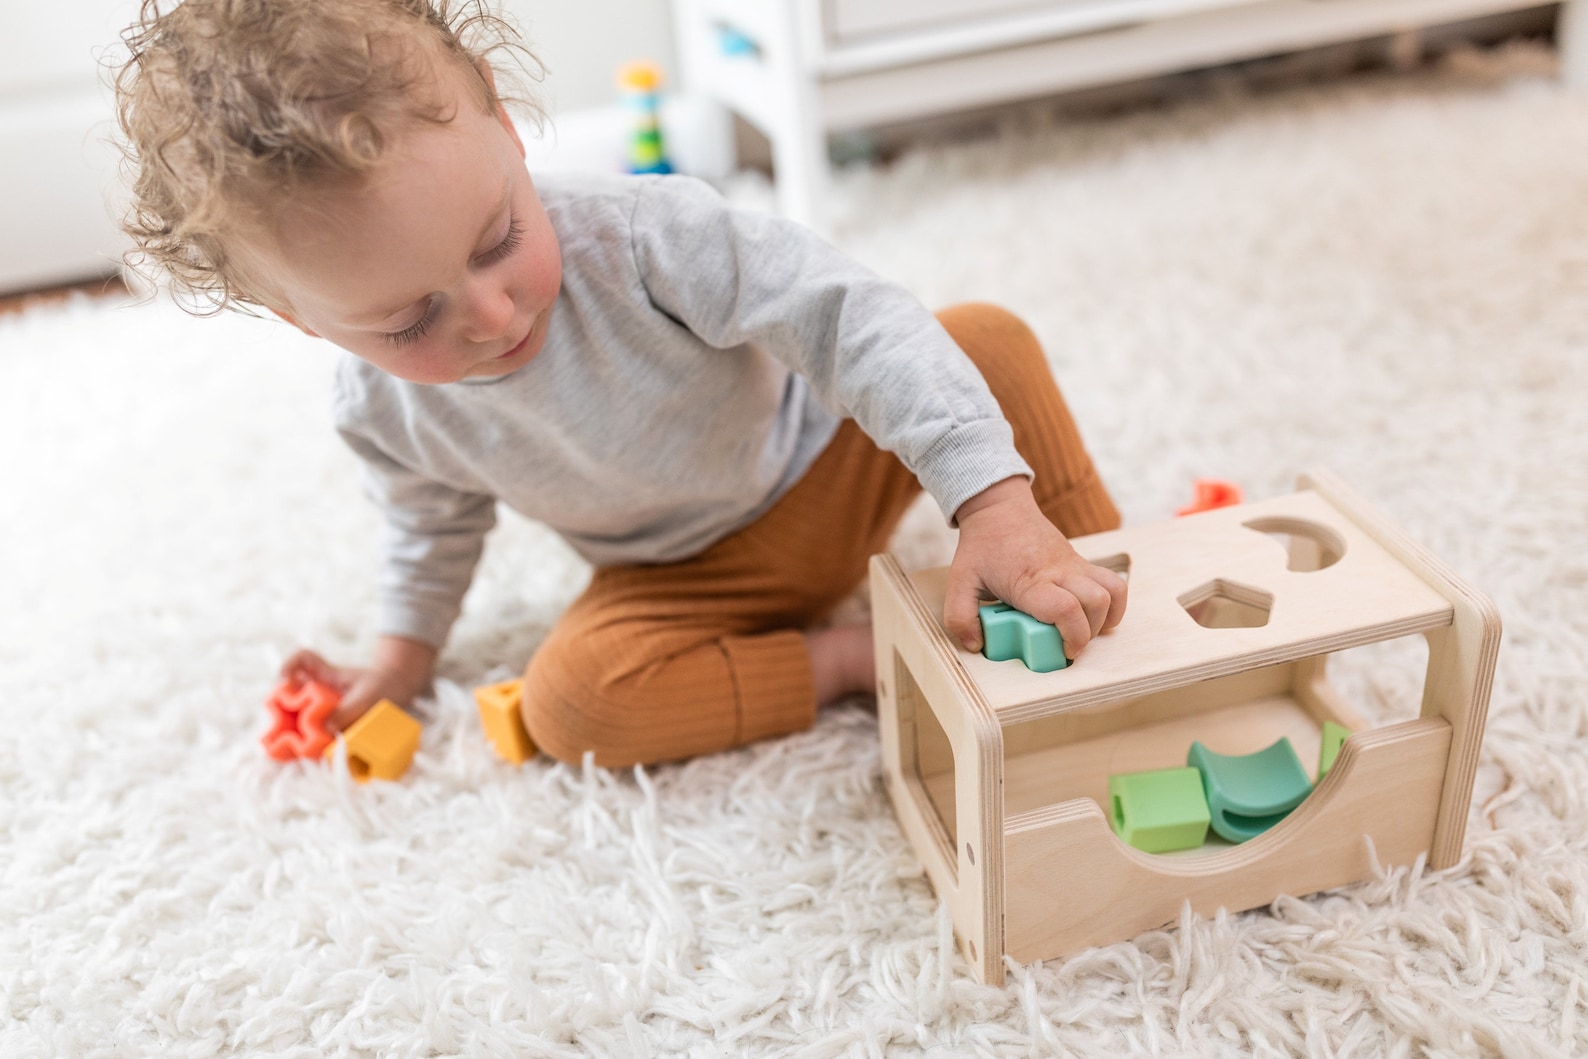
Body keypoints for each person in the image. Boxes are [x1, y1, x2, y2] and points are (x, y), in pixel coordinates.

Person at [114, 0, 1128, 768]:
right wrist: (401, 659)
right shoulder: (379, 411)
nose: (494, 315)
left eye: (498, 239)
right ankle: (861, 659)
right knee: (572, 707)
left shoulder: (643, 238)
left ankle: (1084, 567)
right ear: (308, 321)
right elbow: (429, 526)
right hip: (680, 579)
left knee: (981, 341)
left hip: (823, 466)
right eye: (410, 319)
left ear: (505, 129)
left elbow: (842, 315)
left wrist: (988, 495)